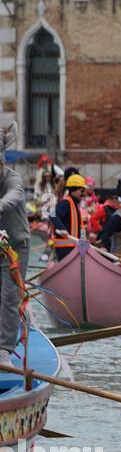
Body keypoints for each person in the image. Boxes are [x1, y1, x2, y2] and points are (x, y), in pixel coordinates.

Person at [0, 127, 30, 366]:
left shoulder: (13, 178)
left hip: (15, 249)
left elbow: (14, 196)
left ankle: (4, 349)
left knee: (9, 297)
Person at [49, 172, 88, 262]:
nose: (83, 194)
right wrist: (62, 229)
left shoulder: (74, 204)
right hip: (65, 249)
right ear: (74, 190)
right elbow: (52, 215)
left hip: (73, 247)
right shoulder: (66, 203)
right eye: (81, 191)